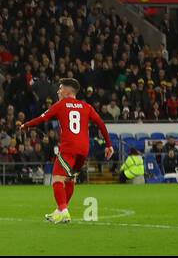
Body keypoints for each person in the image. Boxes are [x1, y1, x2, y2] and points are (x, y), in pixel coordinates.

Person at [16, 78, 114, 224]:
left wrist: (26, 125)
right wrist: (108, 144)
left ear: (68, 91)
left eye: (60, 88)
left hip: (68, 148)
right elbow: (100, 123)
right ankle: (60, 210)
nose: (58, 91)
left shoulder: (60, 105)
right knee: (70, 179)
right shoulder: (86, 106)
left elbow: (43, 118)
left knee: (57, 179)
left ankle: (64, 210)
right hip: (83, 150)